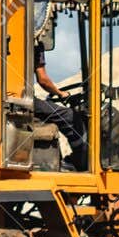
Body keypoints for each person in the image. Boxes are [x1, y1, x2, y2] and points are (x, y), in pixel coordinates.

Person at [33, 34, 87, 168]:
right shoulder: (34, 42)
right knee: (69, 116)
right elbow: (43, 80)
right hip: (24, 100)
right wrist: (61, 94)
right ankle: (79, 162)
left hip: (13, 98)